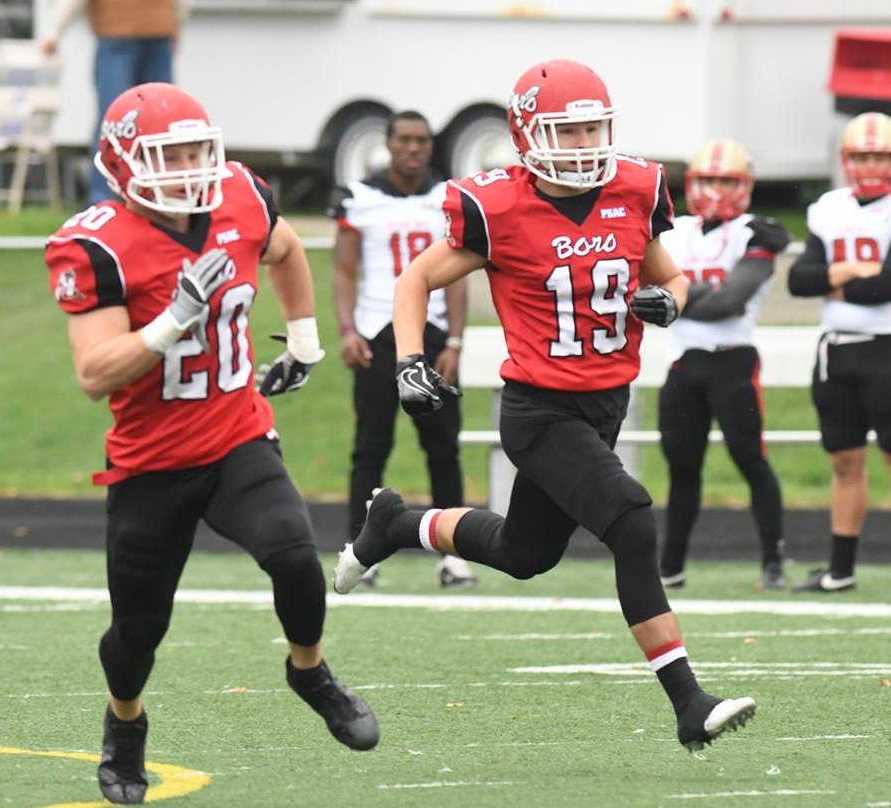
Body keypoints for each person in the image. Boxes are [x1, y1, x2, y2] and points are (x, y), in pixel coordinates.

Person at [333, 59, 757, 751]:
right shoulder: (497, 206)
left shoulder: (631, 189)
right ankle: (687, 702)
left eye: (594, 128)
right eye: (568, 131)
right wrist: (408, 361)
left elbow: (673, 277)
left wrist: (669, 302)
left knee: (523, 552)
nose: (586, 143)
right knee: (630, 521)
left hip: (603, 405)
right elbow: (415, 280)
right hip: (539, 411)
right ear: (528, 136)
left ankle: (395, 523)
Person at [45, 82, 378, 804]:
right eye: (168, 155)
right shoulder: (95, 242)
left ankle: (308, 669)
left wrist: (306, 336)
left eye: (197, 149)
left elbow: (285, 249)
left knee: (294, 555)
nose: (189, 167)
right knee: (136, 631)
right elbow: (92, 374)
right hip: (150, 460)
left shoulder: (240, 196)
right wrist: (171, 321)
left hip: (235, 435)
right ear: (121, 163)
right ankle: (124, 726)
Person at [328, 109, 477, 590]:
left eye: (421, 140)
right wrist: (348, 328)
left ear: (431, 146)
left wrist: (455, 338)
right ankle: (360, 550)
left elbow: (457, 275)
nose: (412, 148)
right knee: (369, 447)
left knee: (442, 448)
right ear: (387, 144)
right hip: (377, 330)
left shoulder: (448, 198)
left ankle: (454, 557)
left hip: (430, 333)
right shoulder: (361, 196)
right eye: (404, 139)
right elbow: (344, 270)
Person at [655, 139, 792, 591]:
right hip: (684, 364)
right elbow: (642, 289)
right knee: (682, 466)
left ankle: (772, 561)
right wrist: (691, 296)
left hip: (734, 360)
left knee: (751, 460)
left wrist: (675, 298)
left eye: (725, 181)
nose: (715, 189)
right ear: (693, 183)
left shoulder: (757, 230)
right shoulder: (673, 231)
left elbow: (729, 303)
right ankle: (670, 565)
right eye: (709, 180)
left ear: (745, 186)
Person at [787, 111, 891, 593]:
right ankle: (841, 570)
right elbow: (797, 280)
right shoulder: (828, 207)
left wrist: (835, 276)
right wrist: (853, 273)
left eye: (880, 155)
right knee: (845, 462)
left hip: (886, 348)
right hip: (837, 352)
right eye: (862, 155)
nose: (871, 164)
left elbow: (884, 290)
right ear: (846, 159)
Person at [40, 0, 184, 206]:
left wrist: (54, 31)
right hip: (139, 32)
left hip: (136, 33)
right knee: (129, 122)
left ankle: (121, 196)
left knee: (129, 122)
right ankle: (119, 195)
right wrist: (176, 21)